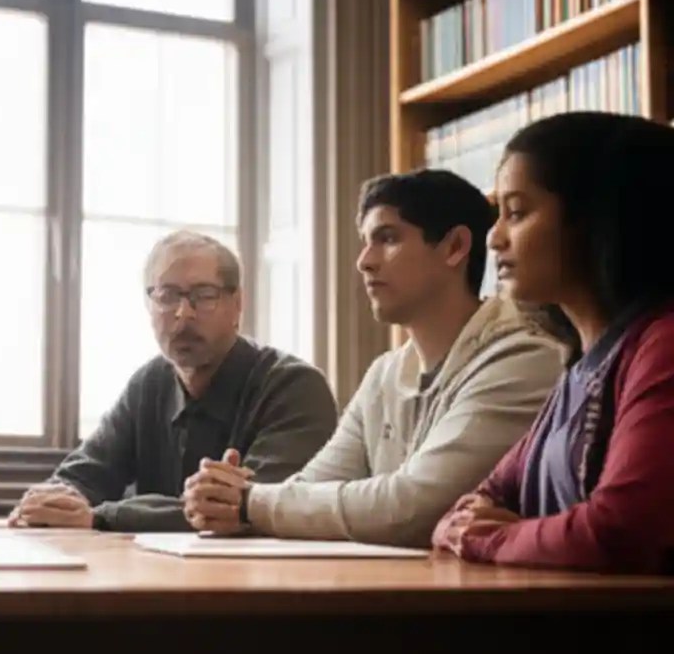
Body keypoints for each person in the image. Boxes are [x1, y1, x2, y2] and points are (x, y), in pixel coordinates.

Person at [182, 170, 564, 547]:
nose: (364, 261)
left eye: (387, 238)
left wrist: (250, 501)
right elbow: (315, 485)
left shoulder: (524, 357)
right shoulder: (385, 373)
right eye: (366, 242)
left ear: (455, 247)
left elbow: (413, 507)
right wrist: (229, 501)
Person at [433, 112, 674, 574]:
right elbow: (462, 512)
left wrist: (494, 537)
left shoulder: (662, 346)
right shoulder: (580, 368)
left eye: (518, 213)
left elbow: (619, 531)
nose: (495, 237)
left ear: (597, 220)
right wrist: (474, 529)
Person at [9, 231, 338, 532]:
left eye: (204, 295)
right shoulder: (149, 383)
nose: (184, 313)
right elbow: (87, 472)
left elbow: (242, 508)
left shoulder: (295, 388)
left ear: (237, 304)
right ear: (148, 304)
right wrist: (47, 503)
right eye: (167, 296)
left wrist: (99, 517)